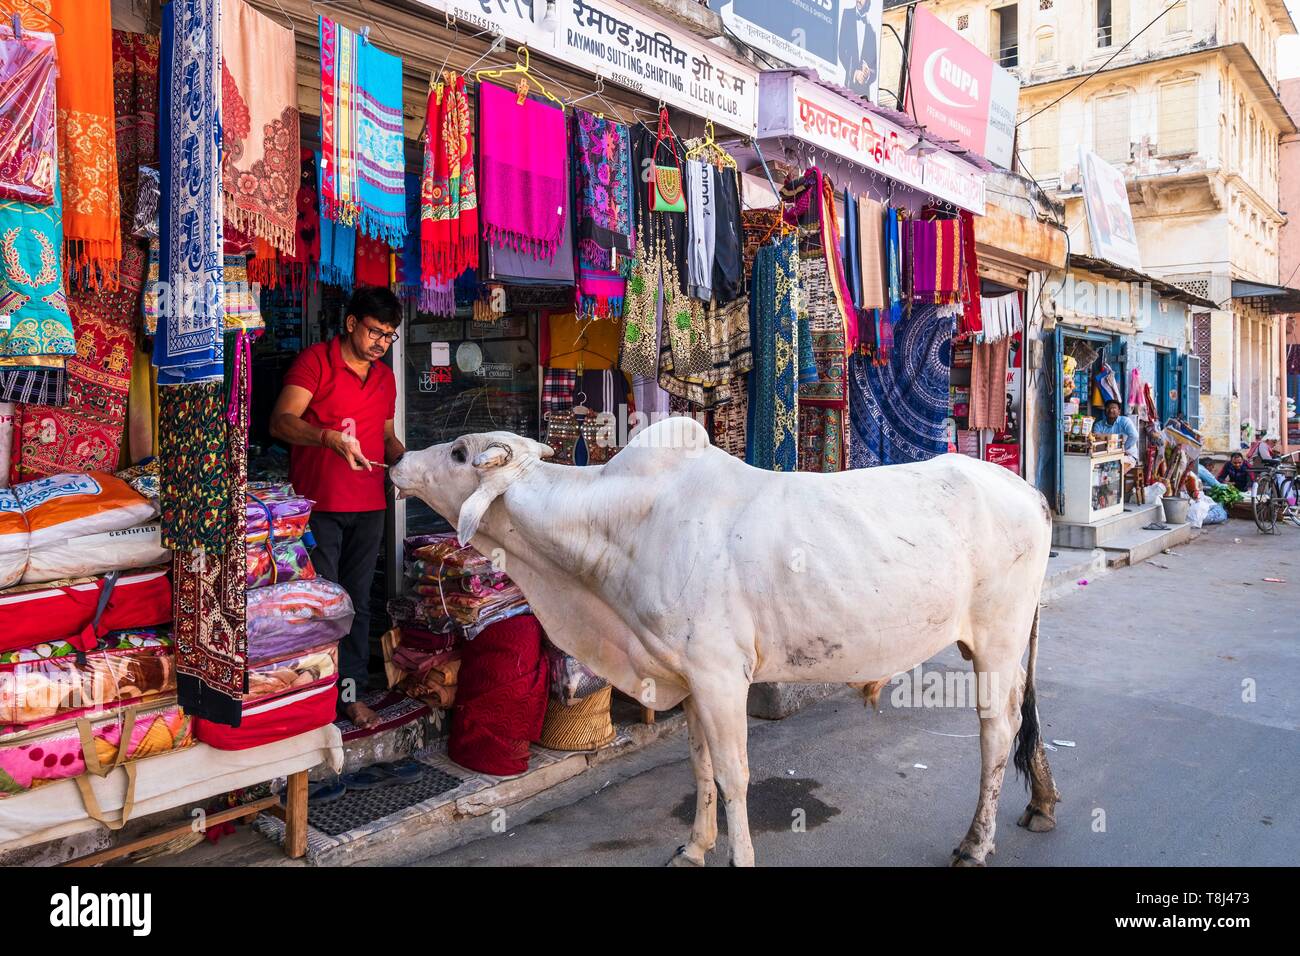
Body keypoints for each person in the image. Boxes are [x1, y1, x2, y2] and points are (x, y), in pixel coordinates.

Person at [270, 287, 406, 730]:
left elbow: (385, 436)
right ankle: (313, 697)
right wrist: (326, 437)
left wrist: (412, 463)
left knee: (357, 602)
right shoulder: (316, 361)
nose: (381, 343)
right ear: (351, 323)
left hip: (369, 504)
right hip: (318, 505)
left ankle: (347, 694)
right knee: (320, 604)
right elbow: (282, 421)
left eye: (389, 336)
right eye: (374, 332)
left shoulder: (385, 377)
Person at [839, 0, 877, 98]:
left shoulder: (871, 30)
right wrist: (854, 73)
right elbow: (841, 50)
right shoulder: (847, 14)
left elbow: (874, 69)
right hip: (848, 84)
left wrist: (867, 75)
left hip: (864, 94)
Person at [1091, 399, 1139, 474]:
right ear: (1104, 411)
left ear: (1119, 411)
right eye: (1108, 408)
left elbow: (1134, 436)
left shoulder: (1125, 421)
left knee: (1115, 474)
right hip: (1105, 456)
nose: (1110, 410)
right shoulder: (1099, 425)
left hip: (1127, 456)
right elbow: (1095, 439)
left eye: (1114, 408)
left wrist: (1123, 450)